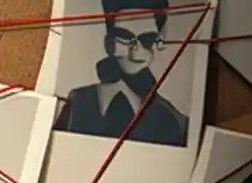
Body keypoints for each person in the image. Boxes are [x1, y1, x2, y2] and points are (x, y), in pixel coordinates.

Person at [54, 0, 189, 147]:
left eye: (146, 39)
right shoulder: (77, 103)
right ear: (109, 42)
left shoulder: (172, 120)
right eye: (124, 37)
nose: (134, 51)